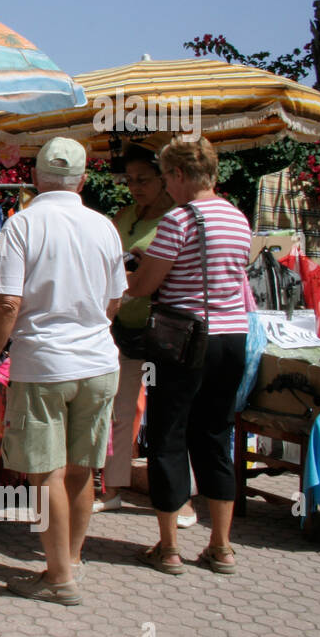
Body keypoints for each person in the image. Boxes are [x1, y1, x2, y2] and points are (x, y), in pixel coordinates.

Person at [0, 137, 127, 605]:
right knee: (83, 471)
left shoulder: (23, 224)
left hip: (45, 363)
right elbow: (115, 299)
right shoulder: (105, 227)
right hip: (99, 362)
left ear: (36, 177)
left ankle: (60, 577)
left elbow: (6, 303)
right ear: (83, 180)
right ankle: (68, 564)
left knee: (46, 474)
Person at [125, 137, 251, 575]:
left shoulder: (179, 219)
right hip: (232, 338)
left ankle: (169, 546)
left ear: (177, 175)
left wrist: (133, 271)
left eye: (165, 178)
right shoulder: (237, 217)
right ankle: (221, 546)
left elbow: (143, 287)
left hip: (180, 340)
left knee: (168, 436)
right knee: (215, 437)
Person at [94, 146, 197, 527]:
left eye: (144, 179)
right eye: (130, 180)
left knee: (171, 418)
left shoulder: (178, 220)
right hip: (123, 327)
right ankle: (114, 489)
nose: (134, 187)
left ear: (164, 180)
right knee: (119, 411)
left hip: (168, 329)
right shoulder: (124, 216)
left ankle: (181, 500)